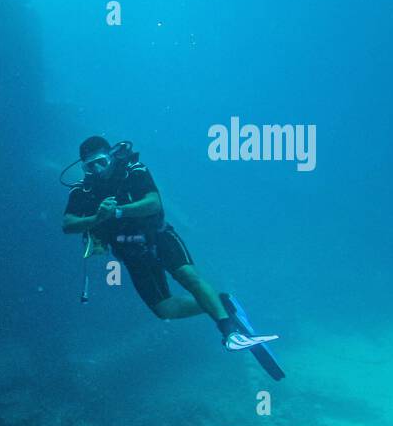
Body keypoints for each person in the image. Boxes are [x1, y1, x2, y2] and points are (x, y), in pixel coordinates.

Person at [62, 135, 265, 351]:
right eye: (90, 166)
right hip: (130, 252)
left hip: (158, 237)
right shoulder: (82, 189)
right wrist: (96, 219)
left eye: (101, 162)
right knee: (165, 310)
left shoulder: (134, 170)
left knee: (189, 278)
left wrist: (118, 212)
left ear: (111, 157)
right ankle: (222, 303)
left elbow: (153, 203)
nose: (97, 170)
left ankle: (229, 330)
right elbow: (68, 224)